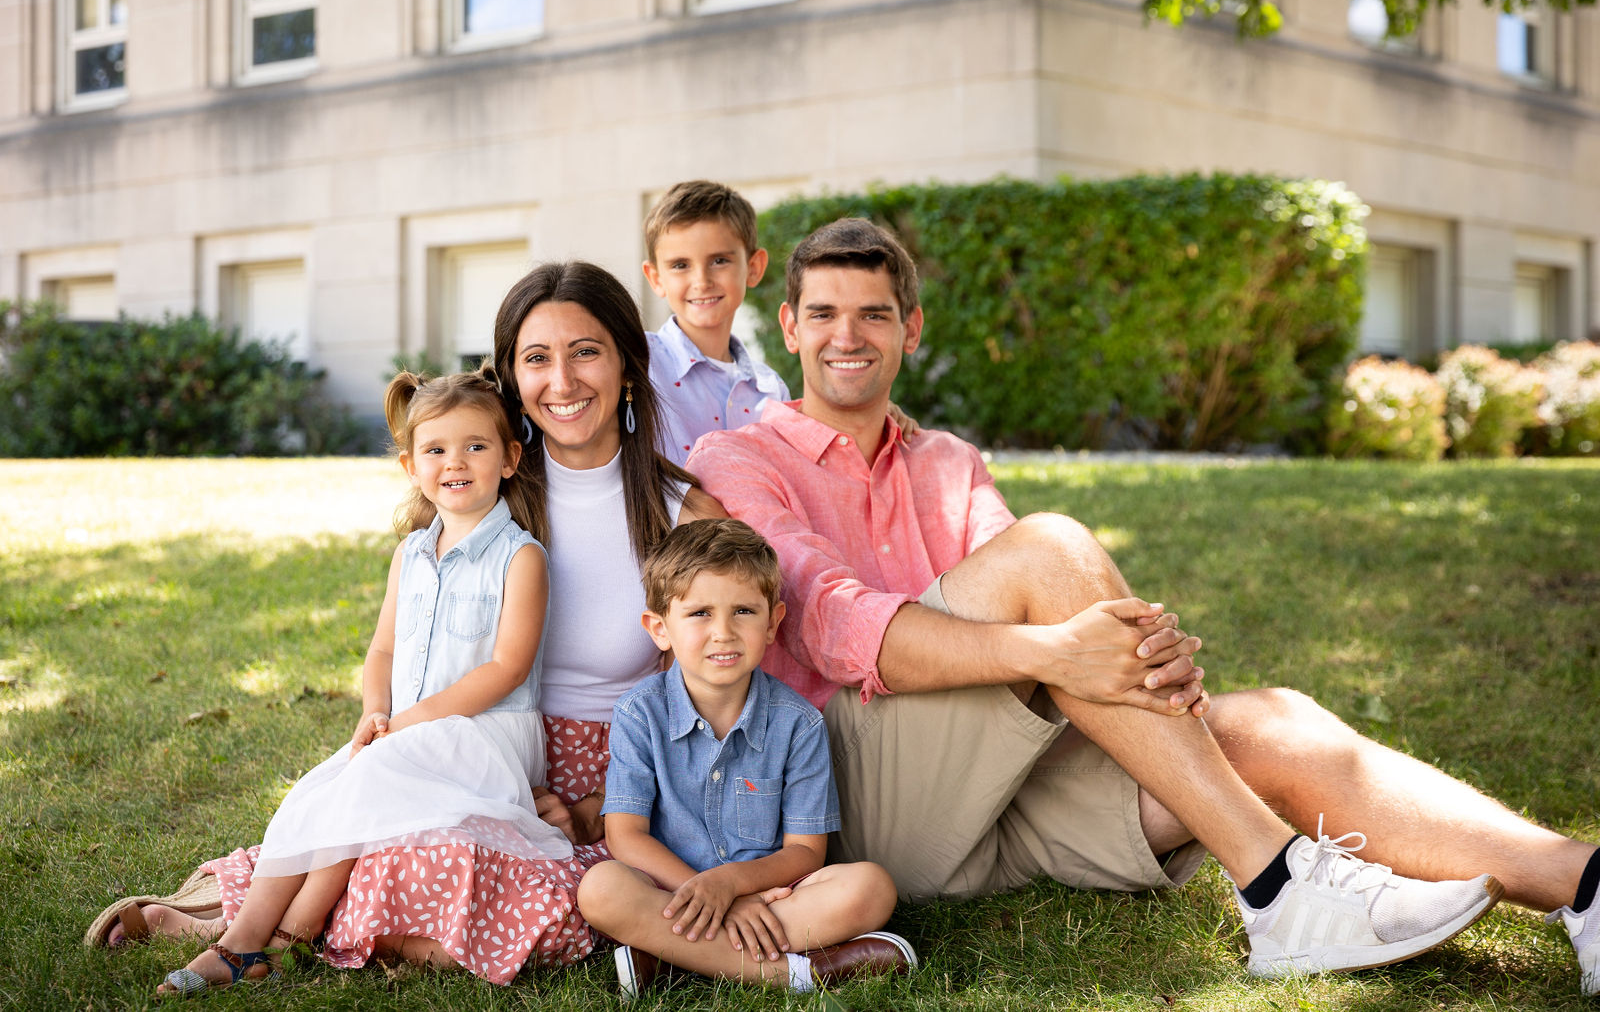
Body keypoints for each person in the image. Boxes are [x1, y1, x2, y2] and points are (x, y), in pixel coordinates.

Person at [690, 216, 1600, 990]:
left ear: (912, 328)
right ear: (790, 326)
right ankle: (1280, 888)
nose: (848, 335)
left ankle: (1584, 886)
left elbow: (1040, 614)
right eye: (824, 315)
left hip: (996, 799)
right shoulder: (738, 461)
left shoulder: (948, 462)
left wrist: (1121, 655)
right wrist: (1057, 652)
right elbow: (833, 622)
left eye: (874, 314)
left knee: (1278, 723)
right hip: (852, 801)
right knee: (1049, 548)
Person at [124, 261, 726, 983]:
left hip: (610, 781)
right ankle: (271, 926)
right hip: (455, 747)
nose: (562, 381)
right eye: (537, 358)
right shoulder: (481, 494)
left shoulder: (681, 514)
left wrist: (600, 805)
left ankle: (274, 927)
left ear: (629, 365)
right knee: (380, 839)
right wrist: (386, 717)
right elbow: (407, 638)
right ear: (512, 376)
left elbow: (709, 702)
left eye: (586, 351)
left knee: (469, 876)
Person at [156, 368, 572, 994]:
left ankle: (247, 944)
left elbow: (506, 669)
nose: (454, 463)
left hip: (484, 738)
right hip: (406, 738)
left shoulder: (522, 557)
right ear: (411, 465)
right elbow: (381, 650)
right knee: (321, 790)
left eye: (475, 447)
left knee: (365, 781)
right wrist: (376, 711)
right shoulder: (410, 556)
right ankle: (275, 938)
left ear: (511, 459)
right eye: (435, 450)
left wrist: (405, 724)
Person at [577, 518, 915, 998]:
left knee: (871, 887)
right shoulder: (639, 713)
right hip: (671, 891)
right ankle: (799, 974)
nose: (723, 632)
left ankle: (674, 956)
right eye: (699, 614)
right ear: (659, 628)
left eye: (743, 611)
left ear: (773, 622)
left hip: (772, 897)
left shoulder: (798, 723)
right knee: (602, 888)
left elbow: (804, 851)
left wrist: (733, 887)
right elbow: (625, 837)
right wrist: (713, 895)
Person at [642, 180, 790, 467]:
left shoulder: (772, 390)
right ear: (656, 278)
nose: (702, 281)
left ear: (754, 267)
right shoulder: (638, 360)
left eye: (719, 260)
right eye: (680, 265)